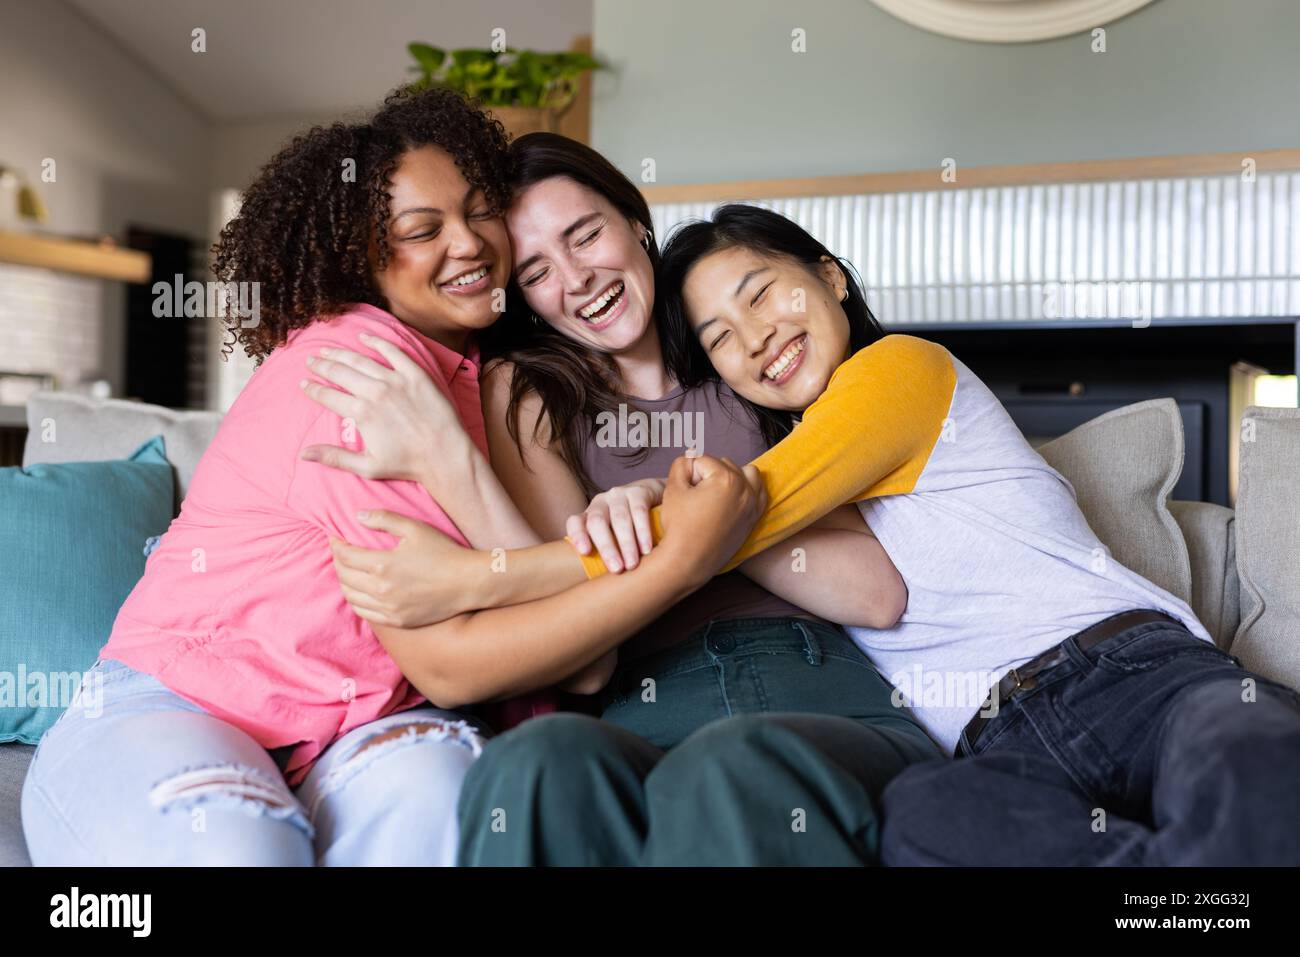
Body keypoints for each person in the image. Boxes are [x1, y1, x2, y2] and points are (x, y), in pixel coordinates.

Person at [20, 90, 759, 866]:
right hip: (183, 702)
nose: (470, 243)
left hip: (345, 729)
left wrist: (458, 471)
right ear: (361, 253)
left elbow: (578, 655)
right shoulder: (355, 370)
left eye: (479, 212)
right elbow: (448, 654)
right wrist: (672, 555)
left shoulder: (485, 381)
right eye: (421, 230)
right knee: (238, 846)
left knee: (451, 802)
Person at [300, 134, 943, 866]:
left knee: (732, 767)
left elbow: (875, 592)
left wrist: (680, 513)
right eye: (538, 269)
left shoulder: (742, 345)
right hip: (640, 707)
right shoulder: (528, 393)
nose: (576, 278)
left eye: (585, 233)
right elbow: (584, 662)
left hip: (817, 688)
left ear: (636, 219)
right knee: (534, 763)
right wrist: (690, 537)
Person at [595, 202, 1300, 866]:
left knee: (1248, 754)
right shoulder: (803, 495)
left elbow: (720, 519)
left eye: (760, 294)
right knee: (922, 818)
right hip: (991, 746)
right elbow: (843, 581)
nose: (755, 338)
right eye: (719, 336)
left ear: (830, 276)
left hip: (1132, 673)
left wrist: (644, 509)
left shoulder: (901, 369)